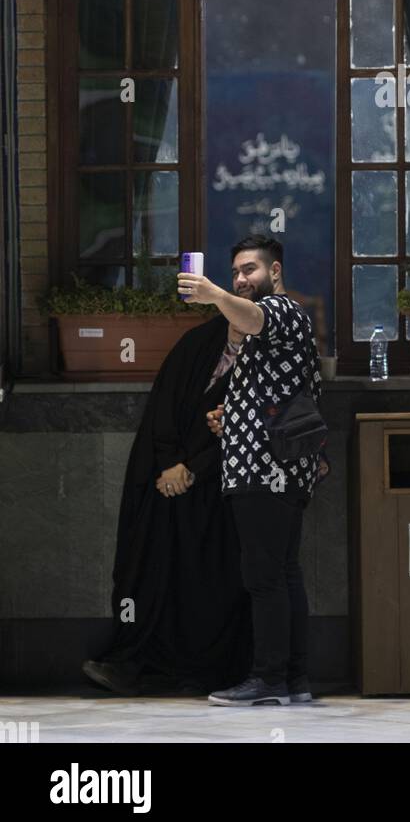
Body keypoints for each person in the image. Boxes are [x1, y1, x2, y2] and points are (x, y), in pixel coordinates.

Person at [178, 235, 324, 708]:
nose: (242, 279)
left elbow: (255, 318)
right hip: (277, 465)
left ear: (275, 271)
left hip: (264, 470)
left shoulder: (282, 309)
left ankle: (268, 680)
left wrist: (215, 294)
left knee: (265, 578)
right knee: (283, 573)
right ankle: (293, 679)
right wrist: (232, 416)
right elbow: (269, 389)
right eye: (236, 272)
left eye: (250, 271)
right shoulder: (274, 327)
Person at [82, 311, 253, 697]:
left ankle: (206, 670)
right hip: (163, 478)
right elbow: (165, 403)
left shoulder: (270, 356)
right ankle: (133, 661)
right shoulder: (197, 344)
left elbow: (258, 427)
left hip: (220, 488)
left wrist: (194, 470)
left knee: (214, 581)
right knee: (144, 568)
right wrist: (170, 465)